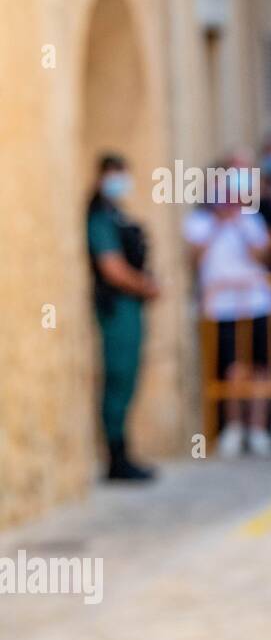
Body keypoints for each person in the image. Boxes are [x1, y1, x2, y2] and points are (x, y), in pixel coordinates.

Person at [184, 160, 271, 457]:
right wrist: (218, 222)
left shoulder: (250, 221)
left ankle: (258, 429)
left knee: (259, 368)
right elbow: (195, 257)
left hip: (255, 303)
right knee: (232, 369)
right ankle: (234, 428)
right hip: (220, 308)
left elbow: (261, 255)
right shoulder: (200, 222)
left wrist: (238, 222)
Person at [87, 153, 159, 481]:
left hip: (129, 308)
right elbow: (112, 268)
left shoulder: (115, 214)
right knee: (118, 377)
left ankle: (122, 452)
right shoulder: (100, 216)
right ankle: (116, 456)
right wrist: (146, 287)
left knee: (128, 377)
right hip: (117, 307)